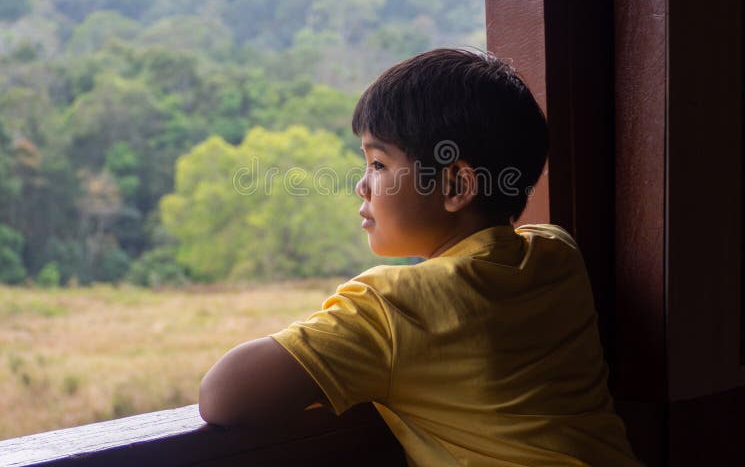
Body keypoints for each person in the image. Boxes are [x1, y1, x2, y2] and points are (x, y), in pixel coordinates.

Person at [198, 48, 642, 466]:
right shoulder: (556, 252)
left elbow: (223, 396)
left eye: (378, 165)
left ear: (455, 186)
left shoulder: (393, 308)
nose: (362, 185)